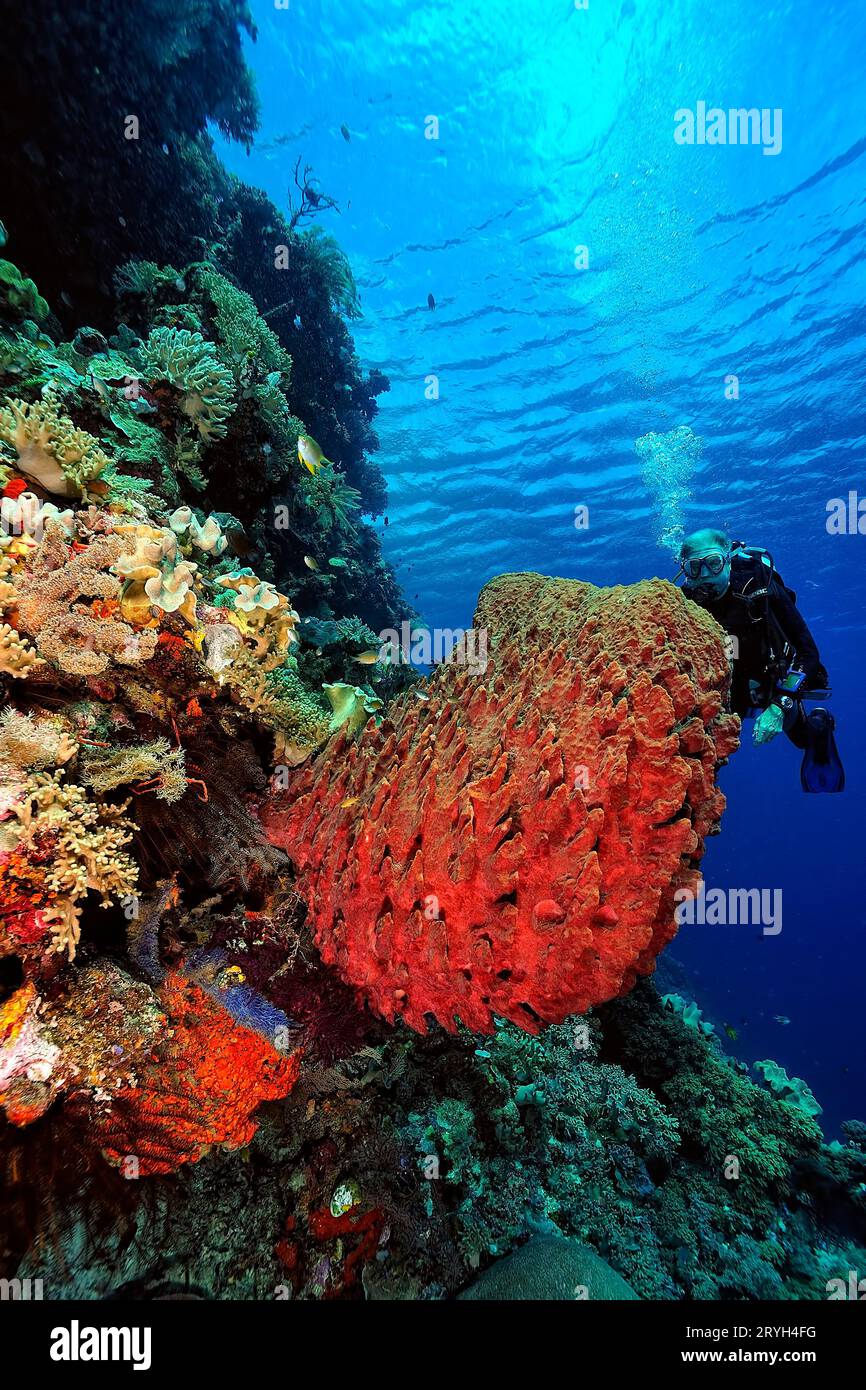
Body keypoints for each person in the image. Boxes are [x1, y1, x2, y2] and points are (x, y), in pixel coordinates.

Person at [676, 528, 844, 792]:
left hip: (771, 680)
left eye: (713, 563)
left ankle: (821, 728)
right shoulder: (681, 604)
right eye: (694, 568)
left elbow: (808, 653)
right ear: (684, 571)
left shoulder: (760, 588)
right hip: (725, 686)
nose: (705, 575)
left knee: (803, 738)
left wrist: (779, 706)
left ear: (728, 561)